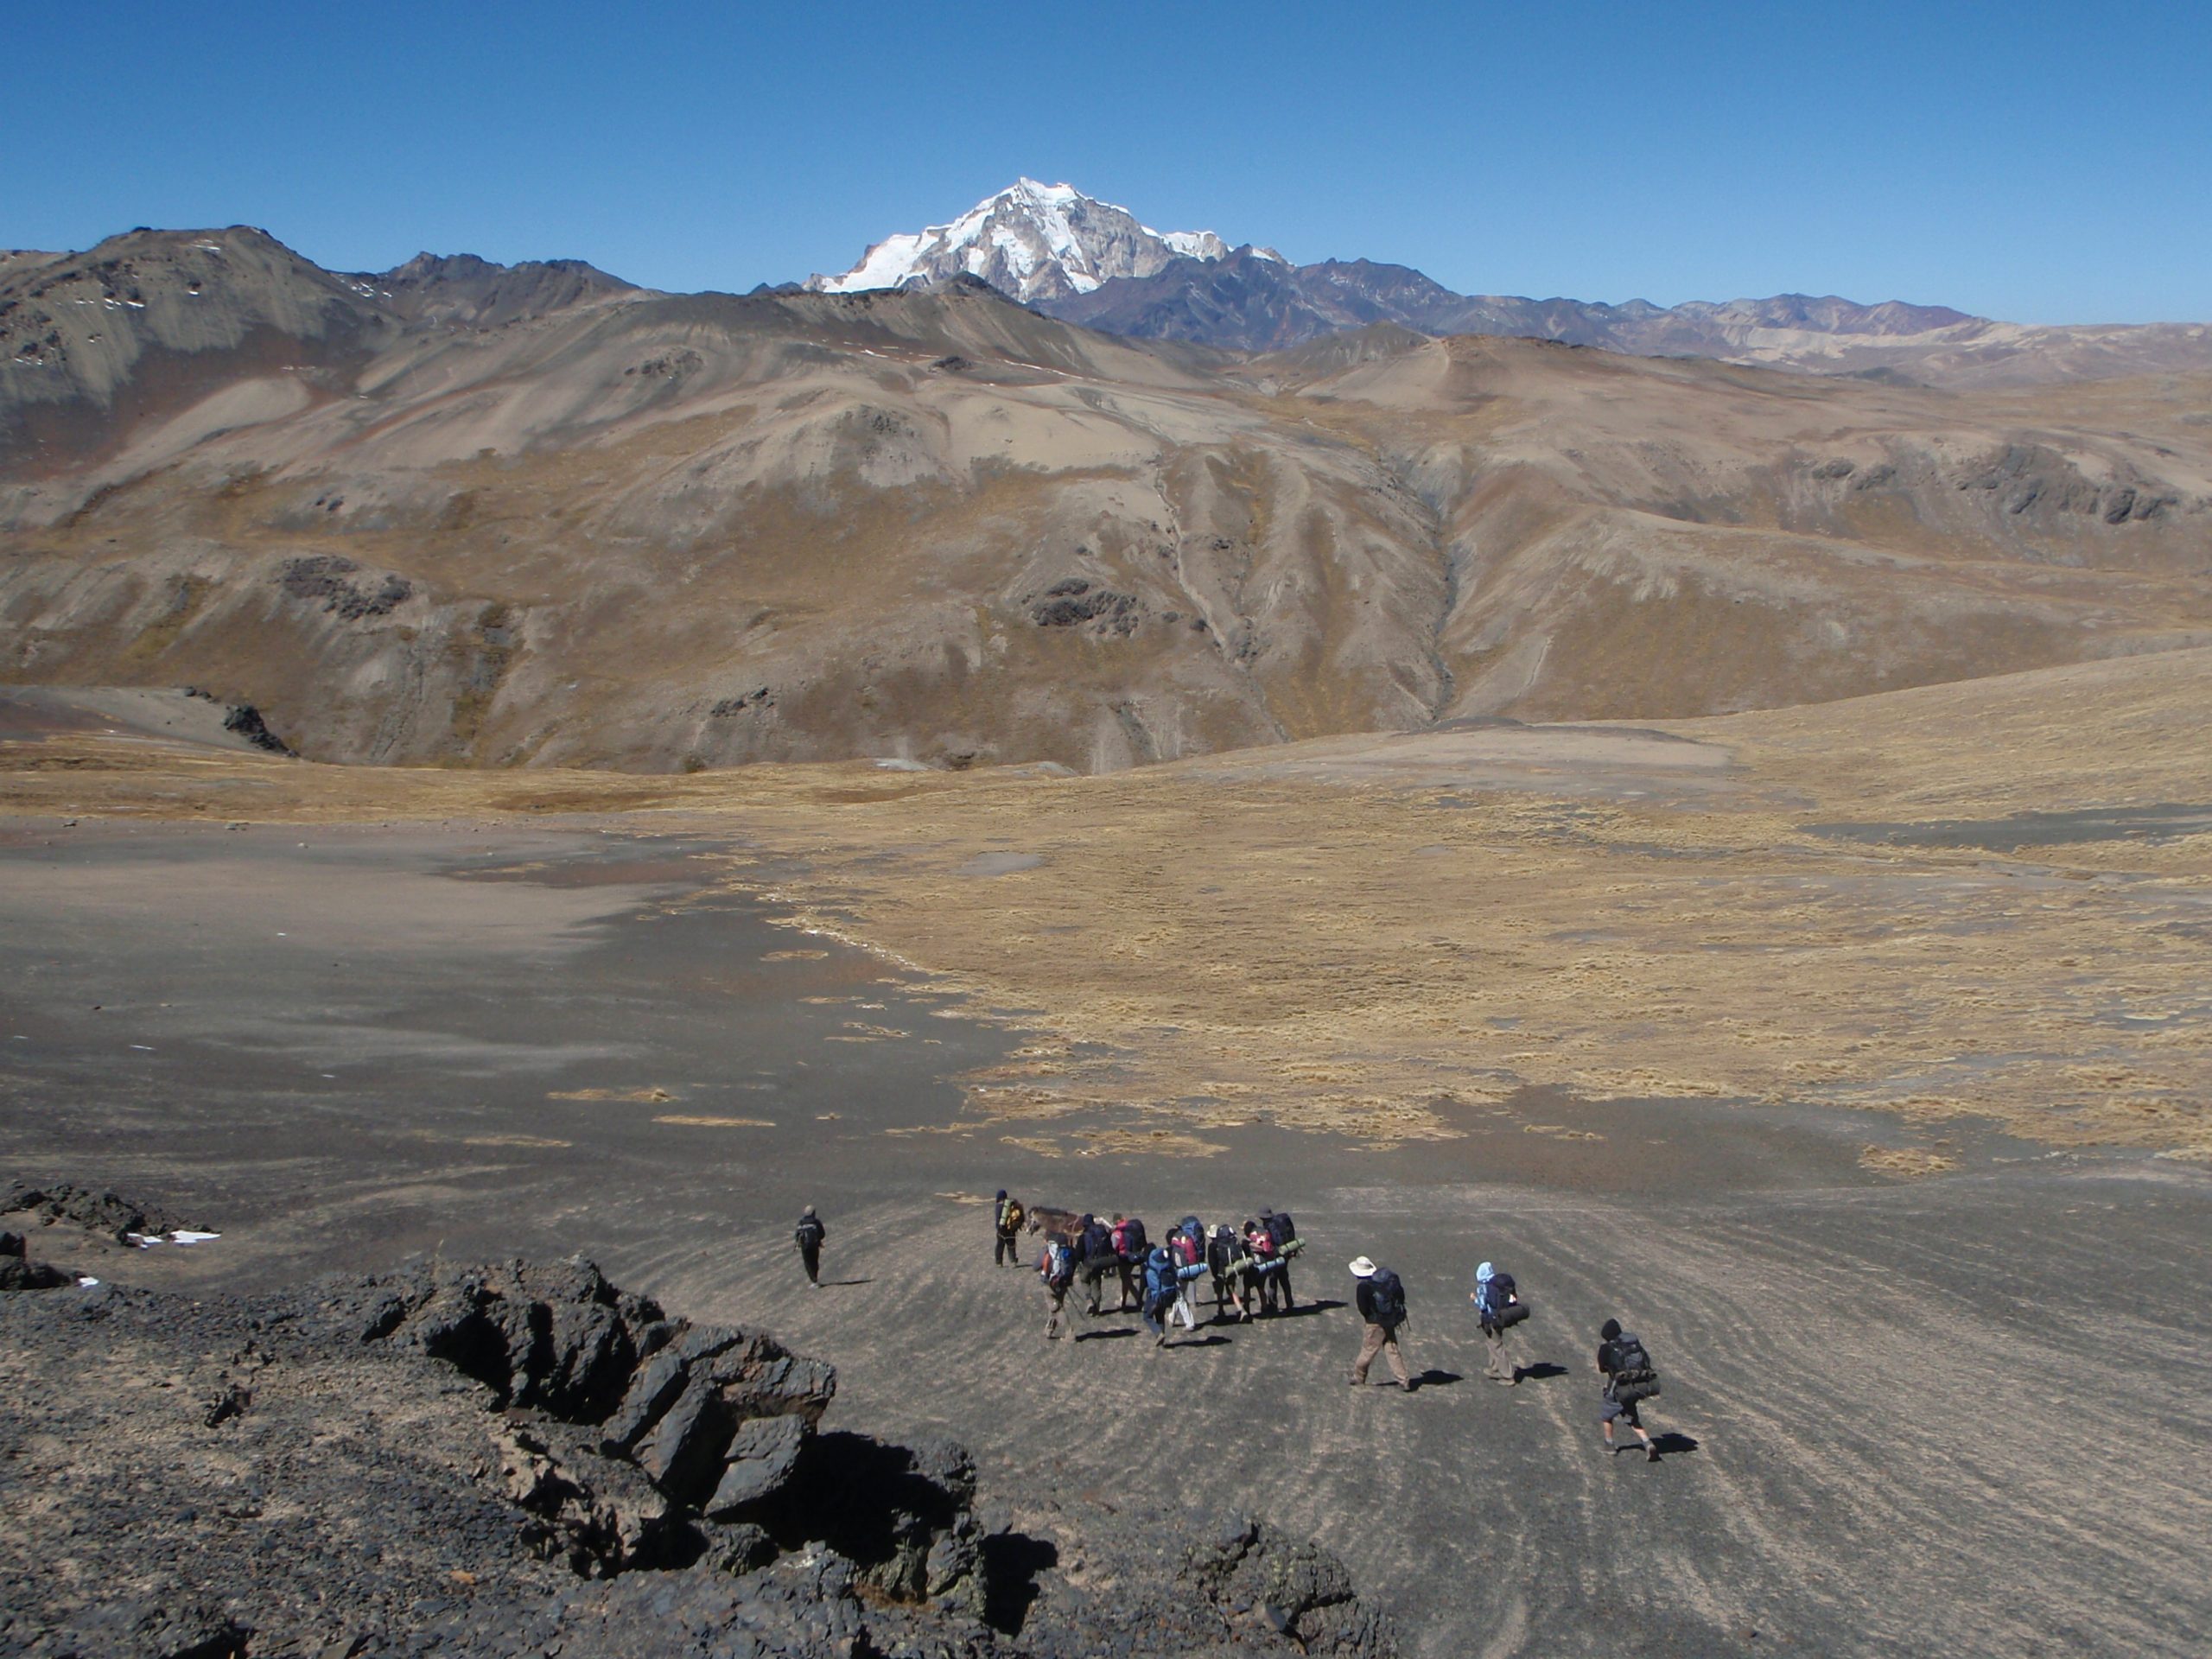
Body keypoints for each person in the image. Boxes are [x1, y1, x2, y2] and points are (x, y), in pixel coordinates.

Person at [1597, 1318, 1661, 1460]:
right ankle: (1648, 1443)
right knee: (1631, 1416)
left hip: (1618, 1388)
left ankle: (1609, 1445)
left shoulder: (1606, 1348)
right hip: (1636, 1386)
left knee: (1607, 1415)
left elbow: (1602, 1368)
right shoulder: (1632, 1344)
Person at [1348, 1256, 1414, 1391]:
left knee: (1368, 1350)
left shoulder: (1363, 1287)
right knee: (1392, 1349)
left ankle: (1358, 1376)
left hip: (1375, 1323)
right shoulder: (1380, 1282)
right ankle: (1404, 1379)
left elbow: (1363, 1308)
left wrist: (1370, 1318)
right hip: (1389, 1320)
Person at [1473, 1261, 1523, 1384]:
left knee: (1496, 1345)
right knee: (1492, 1342)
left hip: (1491, 1319)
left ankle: (1508, 1376)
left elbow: (1482, 1304)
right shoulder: (1498, 1285)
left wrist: (1474, 1299)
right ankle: (1495, 1368)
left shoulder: (1484, 1287)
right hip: (1502, 1316)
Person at [1207, 1223, 1251, 1322]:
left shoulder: (1212, 1247)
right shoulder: (1229, 1242)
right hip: (1232, 1267)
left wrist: (1215, 1275)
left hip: (1221, 1271)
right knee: (1231, 1289)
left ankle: (1222, 1310)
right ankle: (1240, 1309)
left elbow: (1212, 1263)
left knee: (1220, 1291)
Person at [1140, 1244, 1180, 1348]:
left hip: (1156, 1297)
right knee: (1160, 1316)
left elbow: (1150, 1286)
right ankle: (1161, 1337)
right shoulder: (1168, 1267)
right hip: (1168, 1295)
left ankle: (1159, 1333)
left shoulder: (1150, 1271)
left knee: (1147, 1316)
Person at [1073, 1213, 1113, 1315]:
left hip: (1088, 1263)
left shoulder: (1083, 1236)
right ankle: (1097, 1309)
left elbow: (1078, 1254)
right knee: (1096, 1284)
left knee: (1084, 1280)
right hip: (1100, 1263)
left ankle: (1088, 1300)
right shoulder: (1102, 1232)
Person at [1039, 1230, 1075, 1339]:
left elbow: (1035, 1265)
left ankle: (1070, 1334)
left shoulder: (1048, 1251)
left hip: (1050, 1283)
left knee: (1057, 1308)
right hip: (1064, 1281)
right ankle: (1049, 1330)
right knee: (1055, 1304)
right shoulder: (1068, 1251)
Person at [1261, 1207, 1297, 1311]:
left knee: (1273, 1279)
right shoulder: (1279, 1223)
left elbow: (1272, 1243)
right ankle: (1289, 1303)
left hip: (1276, 1255)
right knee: (1284, 1278)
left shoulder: (1269, 1226)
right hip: (1286, 1253)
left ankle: (1272, 1305)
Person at [793, 1205, 826, 1286]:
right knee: (814, 1262)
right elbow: (822, 1234)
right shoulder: (816, 1222)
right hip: (814, 1245)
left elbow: (797, 1235)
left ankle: (813, 1281)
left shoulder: (801, 1222)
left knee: (808, 1263)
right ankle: (815, 1279)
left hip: (804, 1246)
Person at [994, 1190, 1026, 1267]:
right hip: (1011, 1229)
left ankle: (999, 1262)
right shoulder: (1012, 1204)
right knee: (1011, 1245)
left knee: (1000, 1246)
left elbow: (998, 1219)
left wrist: (998, 1228)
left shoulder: (998, 1206)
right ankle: (1013, 1261)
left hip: (1001, 1230)